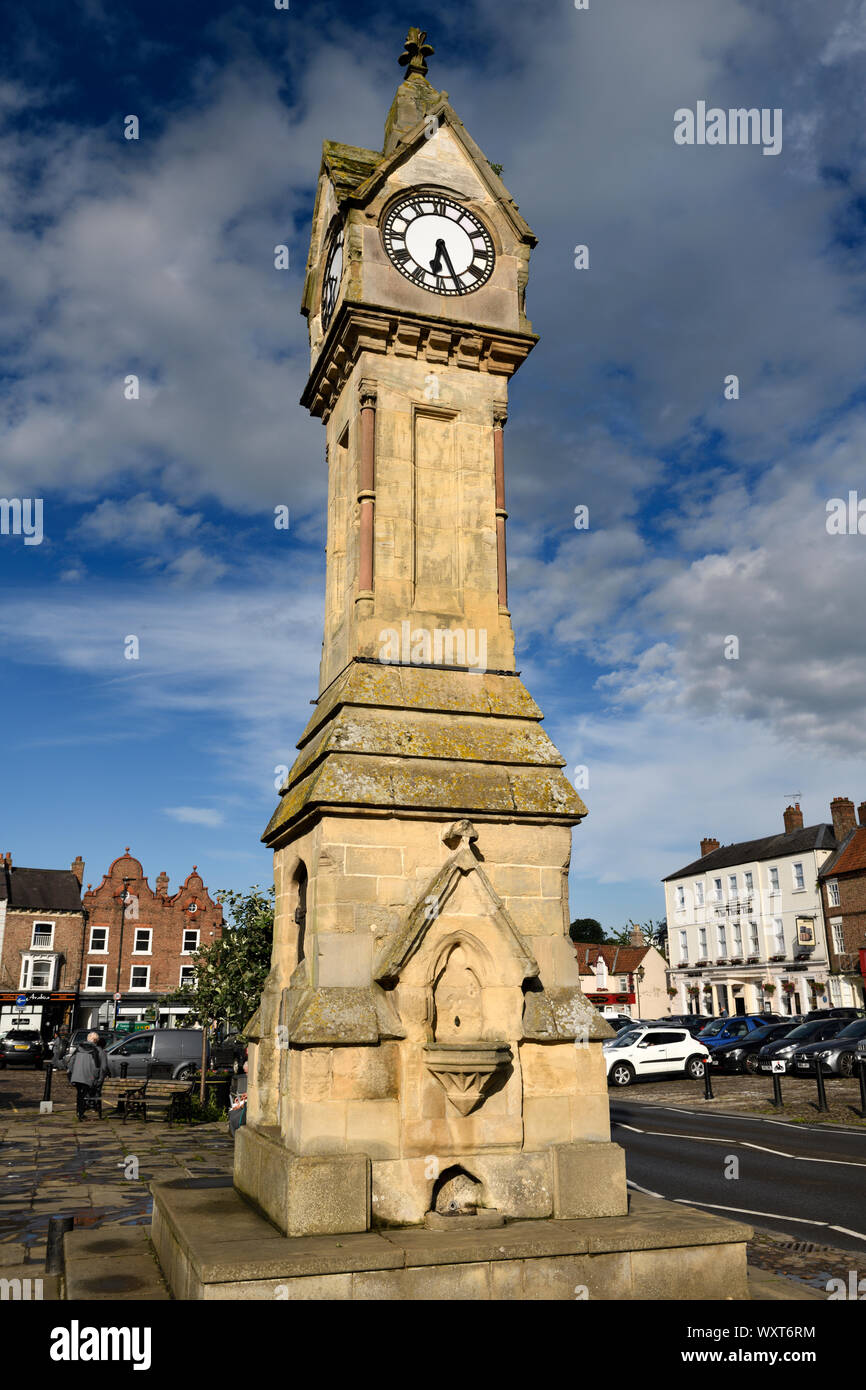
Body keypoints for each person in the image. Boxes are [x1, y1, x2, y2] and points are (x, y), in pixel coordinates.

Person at [67, 1030, 108, 1120]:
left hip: (77, 1076)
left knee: (80, 1094)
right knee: (86, 1094)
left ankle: (79, 1112)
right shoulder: (99, 1051)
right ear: (96, 1040)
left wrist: (73, 1073)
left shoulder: (78, 1048)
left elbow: (70, 1063)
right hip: (90, 1077)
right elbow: (103, 1067)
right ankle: (82, 1111)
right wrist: (99, 1079)